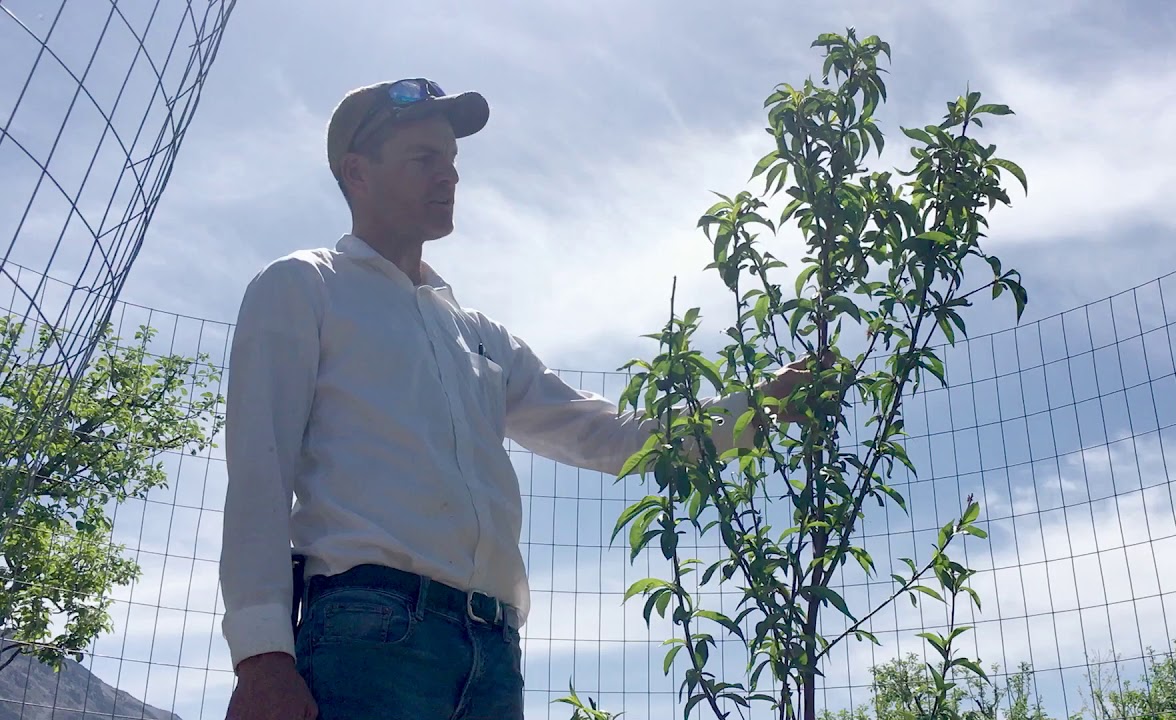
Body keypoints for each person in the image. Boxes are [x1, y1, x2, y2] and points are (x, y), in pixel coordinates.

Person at [220, 77, 817, 720]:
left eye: (452, 160)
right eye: (425, 159)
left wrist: (755, 410)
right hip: (369, 637)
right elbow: (259, 473)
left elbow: (612, 436)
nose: (449, 176)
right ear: (357, 173)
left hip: (495, 652)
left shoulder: (479, 335)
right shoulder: (303, 286)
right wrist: (262, 659)